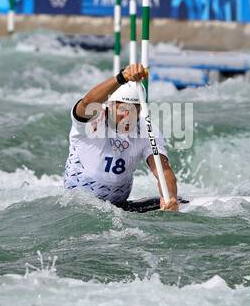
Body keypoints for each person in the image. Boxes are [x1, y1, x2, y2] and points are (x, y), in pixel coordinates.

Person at [64, 63, 180, 211]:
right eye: (123, 109)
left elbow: (163, 170)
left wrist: (170, 197)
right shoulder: (93, 121)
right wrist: (122, 77)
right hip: (79, 204)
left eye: (134, 110)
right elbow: (87, 102)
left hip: (120, 208)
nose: (128, 117)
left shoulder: (147, 128)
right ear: (110, 106)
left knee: (176, 200)